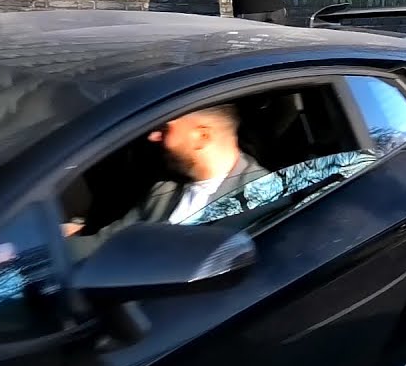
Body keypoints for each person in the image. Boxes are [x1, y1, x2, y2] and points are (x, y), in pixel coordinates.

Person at [63, 104, 271, 258]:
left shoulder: (263, 200)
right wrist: (46, 252)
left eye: (164, 129)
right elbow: (106, 244)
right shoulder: (163, 189)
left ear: (202, 137)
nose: (152, 137)